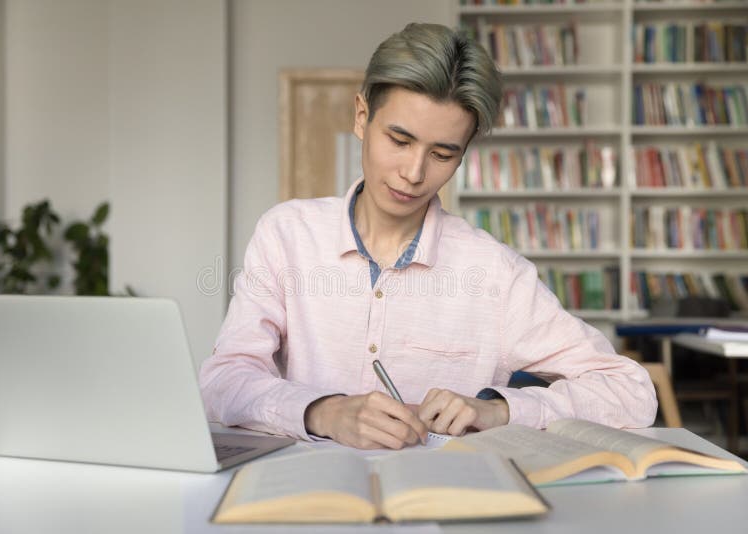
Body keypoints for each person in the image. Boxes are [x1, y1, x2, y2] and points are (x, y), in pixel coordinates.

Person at [199, 23, 657, 450]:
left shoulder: (495, 273)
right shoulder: (286, 235)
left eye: (441, 153)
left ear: (463, 154)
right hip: (304, 499)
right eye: (399, 140)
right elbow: (223, 381)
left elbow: (632, 392)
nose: (414, 173)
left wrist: (502, 410)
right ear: (362, 117)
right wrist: (323, 411)